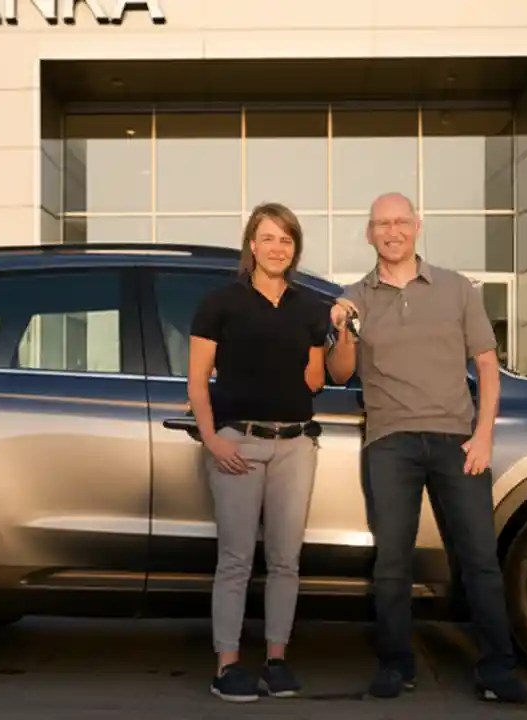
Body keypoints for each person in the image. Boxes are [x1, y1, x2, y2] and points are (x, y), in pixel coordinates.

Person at [325, 192, 527, 704]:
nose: (391, 231)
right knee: (392, 560)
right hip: (389, 442)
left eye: (400, 222)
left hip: (457, 441)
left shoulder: (458, 288)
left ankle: (497, 668)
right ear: (369, 233)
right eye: (381, 224)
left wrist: (483, 435)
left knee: (479, 557)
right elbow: (340, 373)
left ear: (417, 227)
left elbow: (485, 365)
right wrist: (343, 329)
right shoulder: (355, 296)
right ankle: (397, 664)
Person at [187, 201, 330, 702]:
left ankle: (276, 660)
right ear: (252, 244)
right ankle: (227, 665)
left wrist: (338, 337)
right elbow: (197, 382)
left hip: (295, 445)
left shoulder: (310, 307)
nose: (277, 247)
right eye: (268, 237)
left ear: (295, 248)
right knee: (236, 559)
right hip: (239, 443)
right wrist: (212, 438)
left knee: (287, 560)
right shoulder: (220, 302)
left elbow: (317, 380)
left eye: (286, 239)